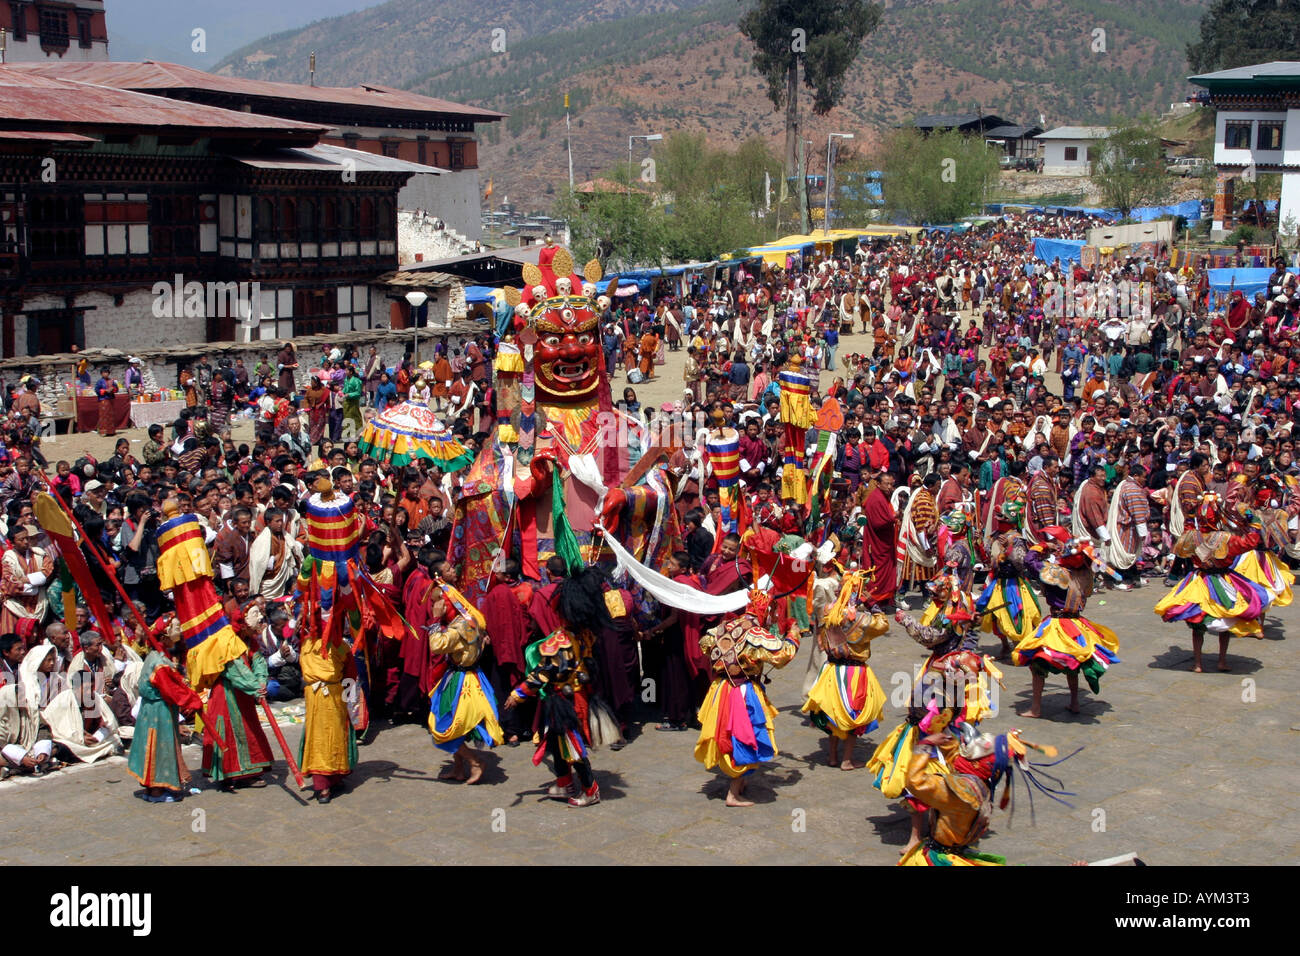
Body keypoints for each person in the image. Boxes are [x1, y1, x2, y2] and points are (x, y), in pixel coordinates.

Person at [505, 567, 608, 808]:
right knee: (555, 740)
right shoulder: (585, 634)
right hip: (573, 697)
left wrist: (517, 694)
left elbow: (544, 673)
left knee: (572, 744)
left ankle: (590, 789)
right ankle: (564, 782)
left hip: (567, 701)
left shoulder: (560, 641)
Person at [694, 590, 799, 808]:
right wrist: (793, 634)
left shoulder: (723, 627)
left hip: (720, 687)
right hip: (741, 692)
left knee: (730, 734)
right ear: (765, 611)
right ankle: (733, 794)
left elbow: (704, 644)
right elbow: (782, 655)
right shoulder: (756, 634)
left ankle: (738, 785)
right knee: (743, 736)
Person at [1154, 492, 1268, 672]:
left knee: (1198, 622)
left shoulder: (1192, 536)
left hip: (1199, 580)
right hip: (1223, 579)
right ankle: (1222, 661)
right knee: (1226, 618)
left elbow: (1183, 538)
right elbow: (1250, 541)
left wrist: (1191, 516)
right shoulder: (1227, 539)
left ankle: (1198, 664)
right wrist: (1252, 520)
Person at [1013, 531, 1120, 718]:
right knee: (1073, 662)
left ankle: (1036, 708)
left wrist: (1044, 546)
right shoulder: (1086, 574)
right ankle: (1074, 702)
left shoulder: (1058, 573)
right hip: (1077, 623)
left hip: (1057, 624)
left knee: (1038, 662)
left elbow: (1029, 561)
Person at [801, 570, 888, 770]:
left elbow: (822, 640)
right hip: (854, 674)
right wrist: (872, 604)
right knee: (853, 717)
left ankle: (832, 757)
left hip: (832, 670)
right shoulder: (861, 618)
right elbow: (883, 624)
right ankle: (847, 761)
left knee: (834, 715)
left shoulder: (828, 612)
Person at [426, 584, 501, 784]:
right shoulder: (470, 619)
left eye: (437, 603)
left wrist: (434, 620)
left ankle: (474, 761)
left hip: (461, 681)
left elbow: (437, 646)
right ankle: (459, 769)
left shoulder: (458, 628)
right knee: (456, 725)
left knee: (442, 726)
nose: (436, 606)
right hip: (471, 675)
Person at [125, 628, 204, 801]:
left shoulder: (157, 657)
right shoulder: (159, 662)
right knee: (160, 746)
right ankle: (156, 789)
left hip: (153, 708)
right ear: (163, 637)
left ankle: (153, 788)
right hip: (159, 710)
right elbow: (171, 690)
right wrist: (192, 700)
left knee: (153, 745)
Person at [976, 500, 1044, 660]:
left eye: (1002, 517)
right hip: (998, 582)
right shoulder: (996, 536)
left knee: (1014, 615)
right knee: (994, 614)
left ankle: (1020, 647)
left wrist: (1008, 549)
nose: (999, 520)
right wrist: (979, 543)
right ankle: (1005, 645)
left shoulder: (1017, 539)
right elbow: (987, 558)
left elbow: (1021, 562)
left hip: (1013, 584)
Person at [95, 365, 119, 437]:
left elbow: (116, 389)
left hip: (110, 400)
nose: (106, 374)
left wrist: (113, 389)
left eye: (107, 372)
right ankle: (103, 431)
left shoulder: (112, 381)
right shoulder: (100, 382)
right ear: (101, 374)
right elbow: (97, 390)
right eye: (104, 373)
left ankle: (111, 431)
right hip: (103, 400)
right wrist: (105, 391)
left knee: (110, 416)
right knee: (103, 416)